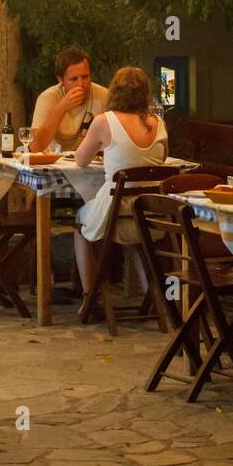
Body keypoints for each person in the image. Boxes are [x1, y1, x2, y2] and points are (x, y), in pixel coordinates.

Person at [72, 66, 167, 304]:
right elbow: (161, 161)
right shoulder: (158, 123)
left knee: (80, 226)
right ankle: (151, 299)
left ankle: (89, 297)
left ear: (114, 91)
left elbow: (81, 159)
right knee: (134, 238)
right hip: (151, 215)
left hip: (116, 211)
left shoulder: (104, 121)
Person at [30, 46, 108, 153]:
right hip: (55, 164)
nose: (81, 84)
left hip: (90, 164)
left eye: (85, 77)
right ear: (60, 79)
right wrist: (62, 107)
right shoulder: (48, 98)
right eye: (74, 79)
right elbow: (34, 147)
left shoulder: (104, 96)